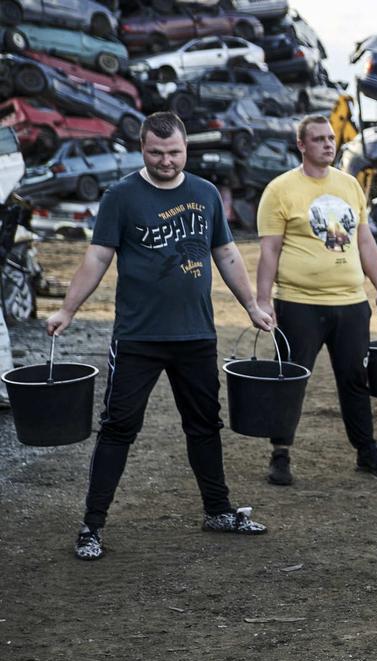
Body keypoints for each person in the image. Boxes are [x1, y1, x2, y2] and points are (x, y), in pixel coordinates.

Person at [46, 112, 275, 561]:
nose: (166, 161)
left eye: (174, 152)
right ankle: (91, 526)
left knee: (204, 424)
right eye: (156, 153)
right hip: (138, 337)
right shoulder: (121, 196)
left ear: (186, 148)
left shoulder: (205, 193)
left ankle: (218, 511)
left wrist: (251, 306)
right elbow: (97, 257)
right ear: (142, 149)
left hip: (196, 334)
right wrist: (67, 309)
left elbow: (226, 253)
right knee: (118, 427)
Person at [255, 115, 377, 486]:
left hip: (350, 303)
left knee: (355, 378)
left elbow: (364, 240)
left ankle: (366, 451)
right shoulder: (280, 189)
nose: (327, 145)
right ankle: (280, 453)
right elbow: (269, 249)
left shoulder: (349, 185)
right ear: (301, 145)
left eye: (330, 139)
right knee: (291, 378)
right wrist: (263, 300)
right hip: (299, 302)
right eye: (318, 139)